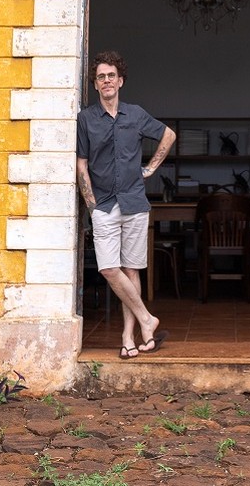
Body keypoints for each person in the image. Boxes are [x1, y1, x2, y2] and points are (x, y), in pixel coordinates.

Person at [76, 51, 176, 359]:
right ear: (96, 85)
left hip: (134, 200)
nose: (106, 81)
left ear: (120, 81)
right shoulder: (86, 119)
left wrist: (150, 169)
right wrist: (91, 204)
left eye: (111, 76)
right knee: (109, 268)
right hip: (104, 205)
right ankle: (148, 319)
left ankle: (129, 336)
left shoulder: (135, 114)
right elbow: (82, 165)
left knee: (132, 270)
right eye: (100, 77)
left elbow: (168, 135)